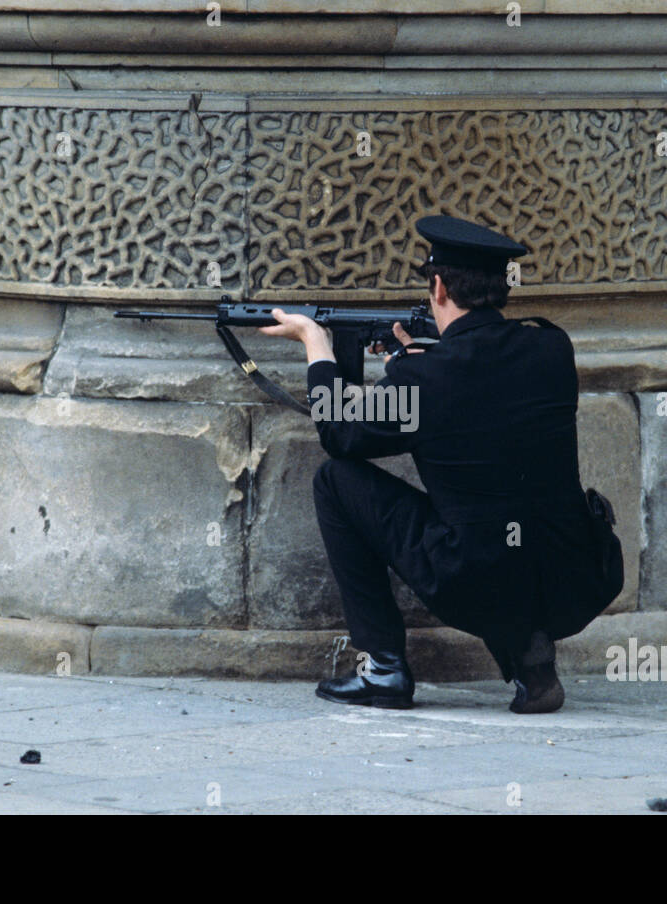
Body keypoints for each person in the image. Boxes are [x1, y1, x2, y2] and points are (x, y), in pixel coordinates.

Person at [259, 215, 620, 714]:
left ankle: (383, 667)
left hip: (474, 583)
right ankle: (532, 661)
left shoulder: (425, 377)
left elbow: (340, 434)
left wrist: (316, 344)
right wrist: (421, 363)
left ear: (437, 286)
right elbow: (483, 392)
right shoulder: (551, 348)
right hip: (573, 577)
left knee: (336, 480)